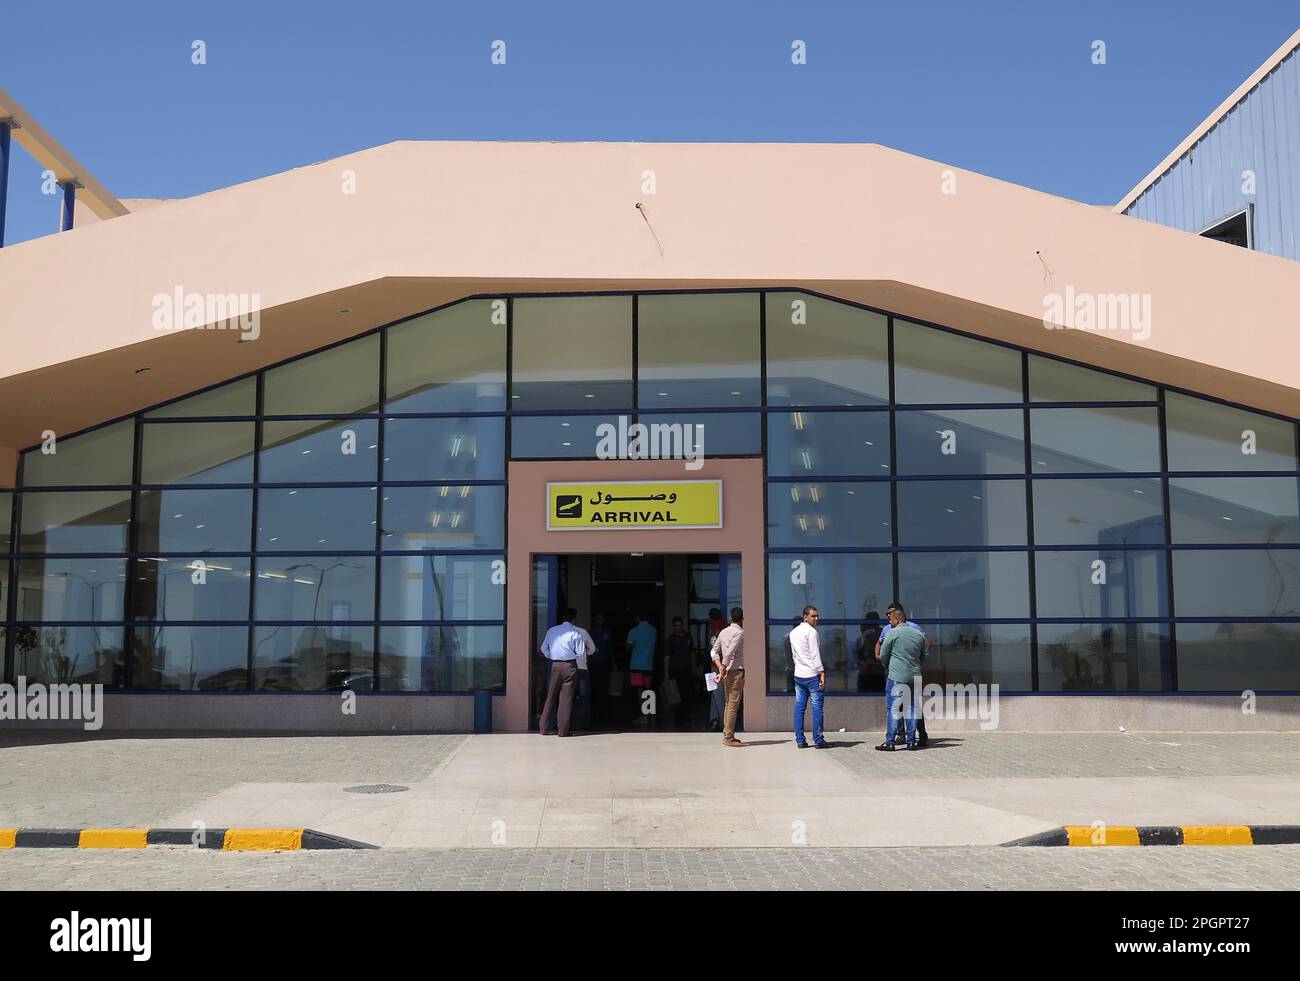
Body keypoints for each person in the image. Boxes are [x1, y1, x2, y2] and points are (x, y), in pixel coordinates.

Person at [876, 606, 929, 752]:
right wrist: (916, 666)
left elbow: (884, 654)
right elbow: (925, 654)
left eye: (891, 619)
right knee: (912, 708)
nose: (889, 621)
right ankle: (911, 742)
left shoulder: (892, 634)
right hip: (914, 677)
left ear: (898, 618)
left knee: (893, 709)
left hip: (896, 677)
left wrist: (889, 666)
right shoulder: (918, 634)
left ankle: (890, 742)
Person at [539, 608, 585, 737]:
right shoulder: (575, 632)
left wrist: (552, 656)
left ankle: (543, 728)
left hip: (555, 665)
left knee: (551, 696)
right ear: (574, 619)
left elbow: (543, 648)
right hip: (570, 666)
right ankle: (563, 731)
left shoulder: (552, 631)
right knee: (566, 699)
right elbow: (580, 652)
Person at [788, 605, 827, 749]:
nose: (816, 618)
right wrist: (821, 672)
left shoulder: (793, 633)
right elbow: (815, 654)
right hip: (812, 675)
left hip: (799, 674)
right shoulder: (811, 632)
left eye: (817, 616)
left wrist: (798, 667)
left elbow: (794, 655)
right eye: (813, 616)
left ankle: (800, 740)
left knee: (799, 707)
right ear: (805, 617)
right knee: (817, 708)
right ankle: (818, 740)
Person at [709, 607, 745, 747]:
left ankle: (727, 734)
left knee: (728, 703)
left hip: (726, 672)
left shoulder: (724, 632)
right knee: (732, 705)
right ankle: (728, 737)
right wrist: (722, 669)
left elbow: (714, 651)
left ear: (730, 618)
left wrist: (720, 667)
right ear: (742, 619)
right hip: (735, 672)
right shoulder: (739, 632)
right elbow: (730, 652)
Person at [625, 613, 658, 726]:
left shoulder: (634, 631)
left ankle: (644, 716)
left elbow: (627, 648)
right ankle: (651, 716)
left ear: (637, 617)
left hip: (637, 665)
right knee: (649, 691)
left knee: (640, 691)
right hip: (649, 665)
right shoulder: (653, 631)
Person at [665, 616, 694, 729]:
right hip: (674, 670)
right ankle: (678, 718)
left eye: (680, 625)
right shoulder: (670, 639)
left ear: (682, 625)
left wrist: (695, 667)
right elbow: (667, 657)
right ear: (674, 626)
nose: (678, 627)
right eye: (676, 625)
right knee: (676, 696)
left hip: (686, 670)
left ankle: (686, 717)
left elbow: (692, 653)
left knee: (686, 694)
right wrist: (666, 673)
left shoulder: (688, 637)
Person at [585, 612, 613, 729]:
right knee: (593, 689)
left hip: (604, 663)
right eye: (598, 618)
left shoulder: (606, 632)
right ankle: (594, 715)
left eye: (602, 619)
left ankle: (604, 714)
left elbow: (610, 648)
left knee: (604, 689)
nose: (600, 621)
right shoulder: (589, 632)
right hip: (593, 664)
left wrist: (614, 663)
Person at [707, 610, 727, 731]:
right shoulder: (727, 626)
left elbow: (712, 648)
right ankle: (713, 719)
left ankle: (722, 722)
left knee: (717, 694)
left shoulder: (714, 627)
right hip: (724, 665)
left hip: (715, 665)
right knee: (715, 694)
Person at [857, 615, 883, 692]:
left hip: (874, 671)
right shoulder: (866, 635)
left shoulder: (878, 634)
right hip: (871, 671)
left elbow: (860, 654)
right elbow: (860, 654)